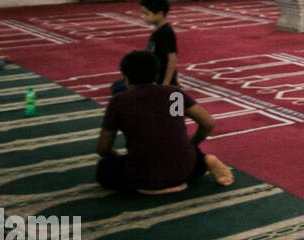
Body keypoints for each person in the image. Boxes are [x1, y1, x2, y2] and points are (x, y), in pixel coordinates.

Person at [96, 50, 232, 194]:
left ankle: (157, 183)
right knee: (184, 148)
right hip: (185, 170)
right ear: (156, 74)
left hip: (143, 177)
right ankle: (203, 161)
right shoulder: (173, 94)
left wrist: (115, 156)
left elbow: (103, 149)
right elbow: (207, 123)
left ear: (125, 77)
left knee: (105, 169)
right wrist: (193, 144)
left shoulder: (120, 101)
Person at [111, 0, 180, 95]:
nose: (143, 17)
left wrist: (166, 83)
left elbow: (172, 58)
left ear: (160, 14)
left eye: (146, 14)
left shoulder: (166, 32)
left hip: (157, 77)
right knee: (117, 86)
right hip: (151, 73)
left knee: (118, 90)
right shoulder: (157, 30)